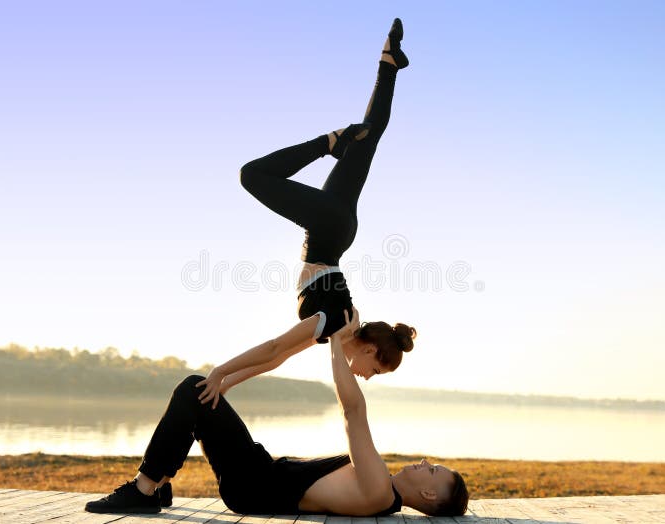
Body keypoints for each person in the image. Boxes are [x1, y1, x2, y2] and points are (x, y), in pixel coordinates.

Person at [196, 19, 416, 409]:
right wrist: (217, 372)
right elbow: (274, 346)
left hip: (339, 229)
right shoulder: (337, 321)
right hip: (328, 228)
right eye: (376, 370)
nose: (368, 377)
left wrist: (228, 383)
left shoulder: (342, 326)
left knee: (368, 138)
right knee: (252, 175)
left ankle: (389, 64)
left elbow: (277, 357)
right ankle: (326, 143)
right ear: (370, 351)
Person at [85, 308, 469, 516]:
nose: (425, 463)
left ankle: (144, 488)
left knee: (194, 389)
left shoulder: (380, 491)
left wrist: (337, 339)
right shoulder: (380, 487)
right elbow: (276, 355)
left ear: (428, 494)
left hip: (254, 485)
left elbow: (353, 411)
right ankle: (160, 482)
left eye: (433, 471)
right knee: (203, 396)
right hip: (259, 471)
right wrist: (228, 380)